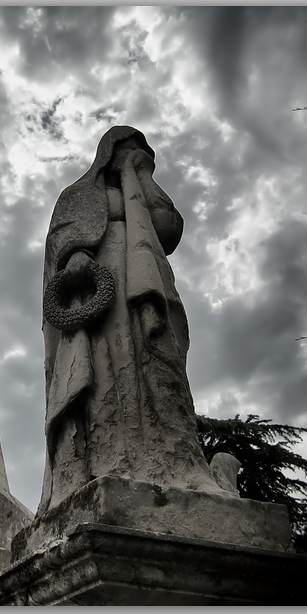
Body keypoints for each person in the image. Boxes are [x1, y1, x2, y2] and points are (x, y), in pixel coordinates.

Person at [39, 125, 226, 513]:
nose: (134, 157)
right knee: (107, 372)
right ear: (109, 151)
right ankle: (102, 460)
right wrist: (75, 255)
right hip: (100, 297)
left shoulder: (143, 196)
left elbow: (168, 231)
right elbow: (62, 236)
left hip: (146, 284)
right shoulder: (78, 195)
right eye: (127, 151)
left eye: (142, 154)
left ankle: (172, 463)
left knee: (157, 365)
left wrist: (137, 179)